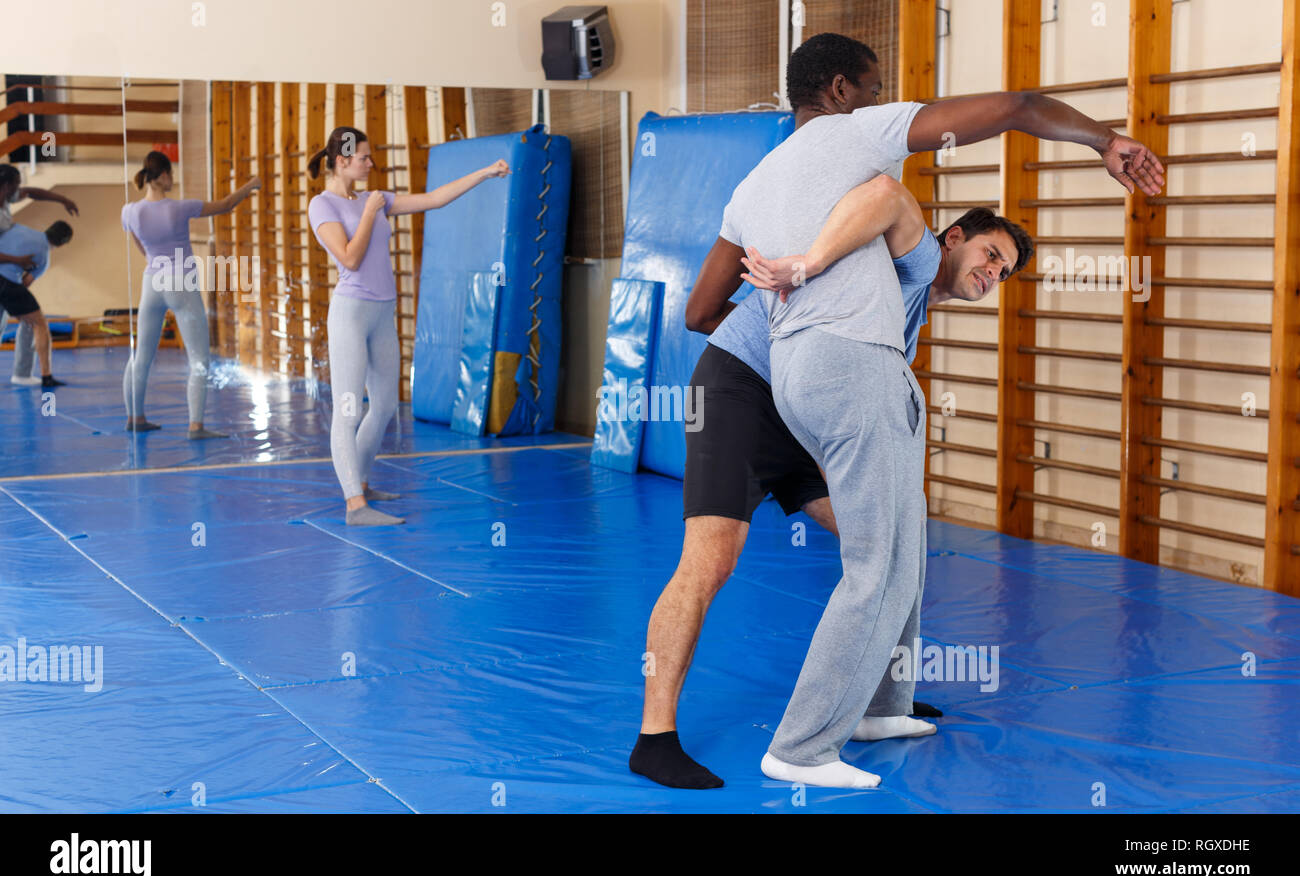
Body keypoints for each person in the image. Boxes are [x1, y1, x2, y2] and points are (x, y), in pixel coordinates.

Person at [631, 32, 1162, 790]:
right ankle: (660, 735)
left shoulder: (771, 196)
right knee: (714, 557)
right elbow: (1012, 107)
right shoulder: (865, 160)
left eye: (1001, 273)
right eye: (987, 259)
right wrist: (1104, 139)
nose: (990, 275)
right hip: (746, 386)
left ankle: (879, 700)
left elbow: (699, 306)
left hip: (794, 393)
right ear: (843, 91)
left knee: (892, 535)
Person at [306, 126, 509, 526]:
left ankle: (360, 484)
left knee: (383, 405)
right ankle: (354, 506)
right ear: (343, 161)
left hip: (383, 313)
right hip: (350, 312)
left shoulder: (374, 199)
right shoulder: (323, 205)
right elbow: (349, 258)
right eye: (364, 157)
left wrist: (484, 173)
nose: (371, 163)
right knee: (349, 410)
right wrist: (368, 213)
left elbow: (434, 199)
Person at [121, 150, 260, 437]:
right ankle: (196, 424)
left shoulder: (130, 211)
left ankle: (135, 417)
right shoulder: (179, 208)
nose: (173, 179)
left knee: (141, 356)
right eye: (170, 174)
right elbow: (225, 205)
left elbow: (141, 247)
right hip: (181, 283)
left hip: (152, 282)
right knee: (198, 359)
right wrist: (250, 186)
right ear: (161, 177)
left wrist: (155, 263)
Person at [0, 221, 73, 389]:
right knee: (37, 323)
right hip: (8, 284)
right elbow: (25, 283)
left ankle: (23, 373)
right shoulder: (44, 257)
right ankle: (35, 375)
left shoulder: (20, 228)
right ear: (61, 244)